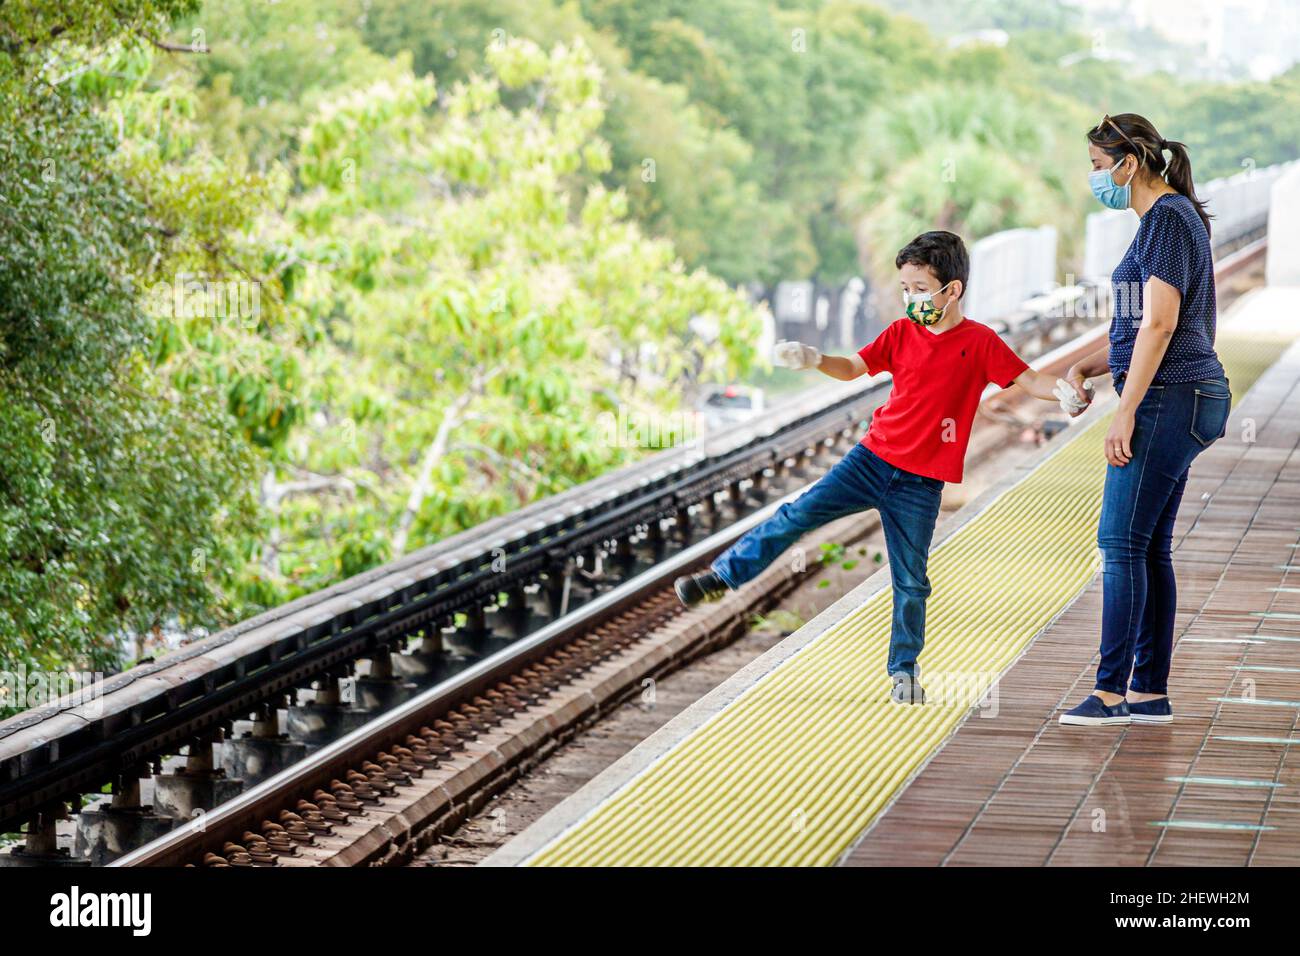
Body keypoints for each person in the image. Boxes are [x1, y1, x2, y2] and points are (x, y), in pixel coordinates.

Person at [674, 231, 1090, 704]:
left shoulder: (979, 342)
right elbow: (853, 367)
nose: (910, 298)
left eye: (919, 288)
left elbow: (1029, 378)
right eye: (905, 288)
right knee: (796, 515)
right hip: (870, 461)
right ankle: (723, 577)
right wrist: (814, 359)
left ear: (951, 289)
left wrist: (1061, 391)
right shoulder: (901, 333)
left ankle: (904, 671)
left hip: (920, 484)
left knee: (911, 579)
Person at [1059, 113, 1231, 727]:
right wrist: (1086, 368)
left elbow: (1161, 324)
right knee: (1149, 545)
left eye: (1100, 167)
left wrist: (1124, 411)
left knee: (1120, 543)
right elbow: (1141, 331)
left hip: (1170, 398)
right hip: (1185, 393)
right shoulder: (1168, 219)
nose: (1095, 178)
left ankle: (1108, 695)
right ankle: (1149, 692)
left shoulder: (1165, 220)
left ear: (1129, 164)